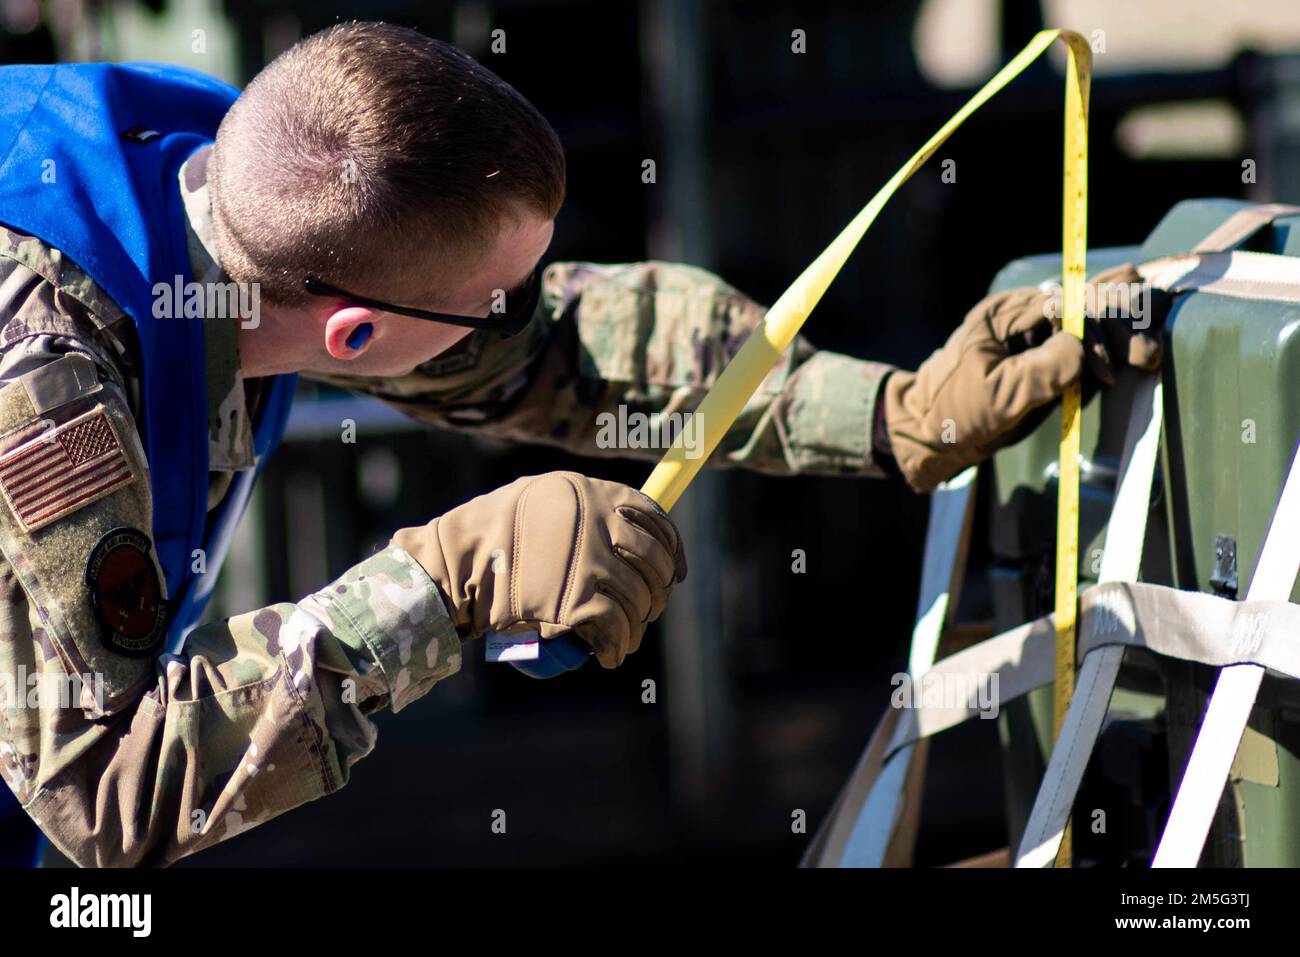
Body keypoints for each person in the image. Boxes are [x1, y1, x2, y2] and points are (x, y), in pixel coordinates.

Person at [0, 21, 1163, 866]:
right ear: (353, 334)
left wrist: (885, 412)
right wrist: (435, 586)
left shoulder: (225, 168)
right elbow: (104, 796)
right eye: (497, 296)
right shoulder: (46, 389)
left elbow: (549, 347)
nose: (525, 310)